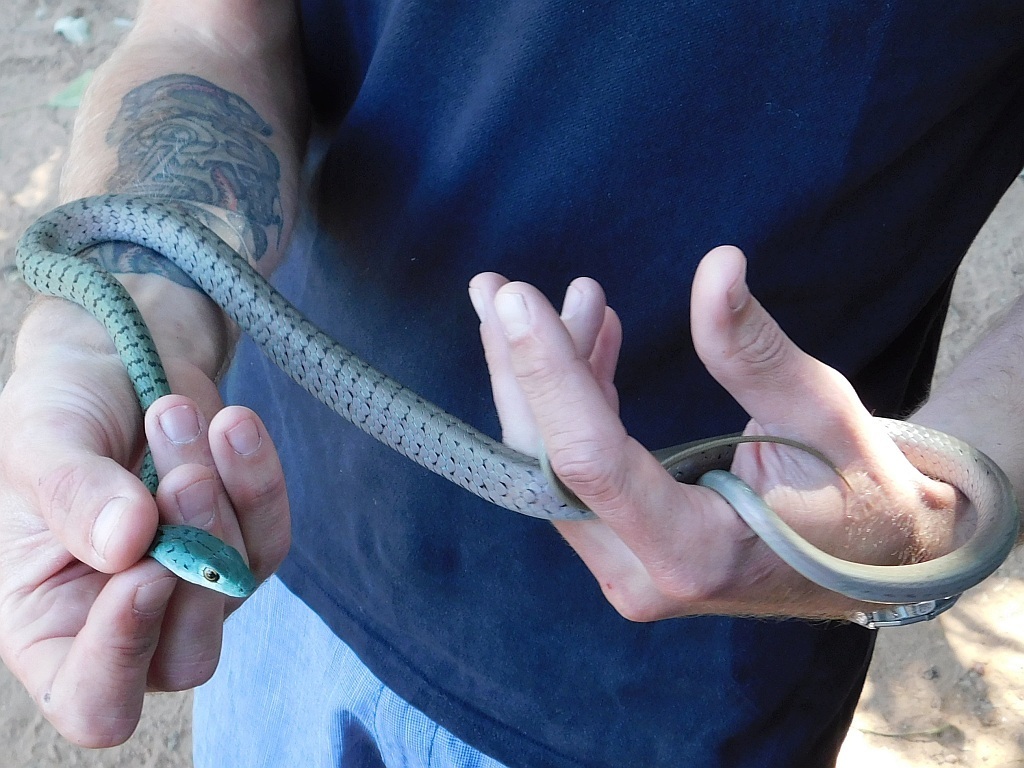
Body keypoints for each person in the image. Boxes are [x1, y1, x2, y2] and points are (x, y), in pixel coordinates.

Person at [1, 1, 1023, 765]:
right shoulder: (225, 547)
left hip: (680, 695)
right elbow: (212, 32)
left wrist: (935, 528)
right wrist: (127, 323)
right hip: (285, 544)